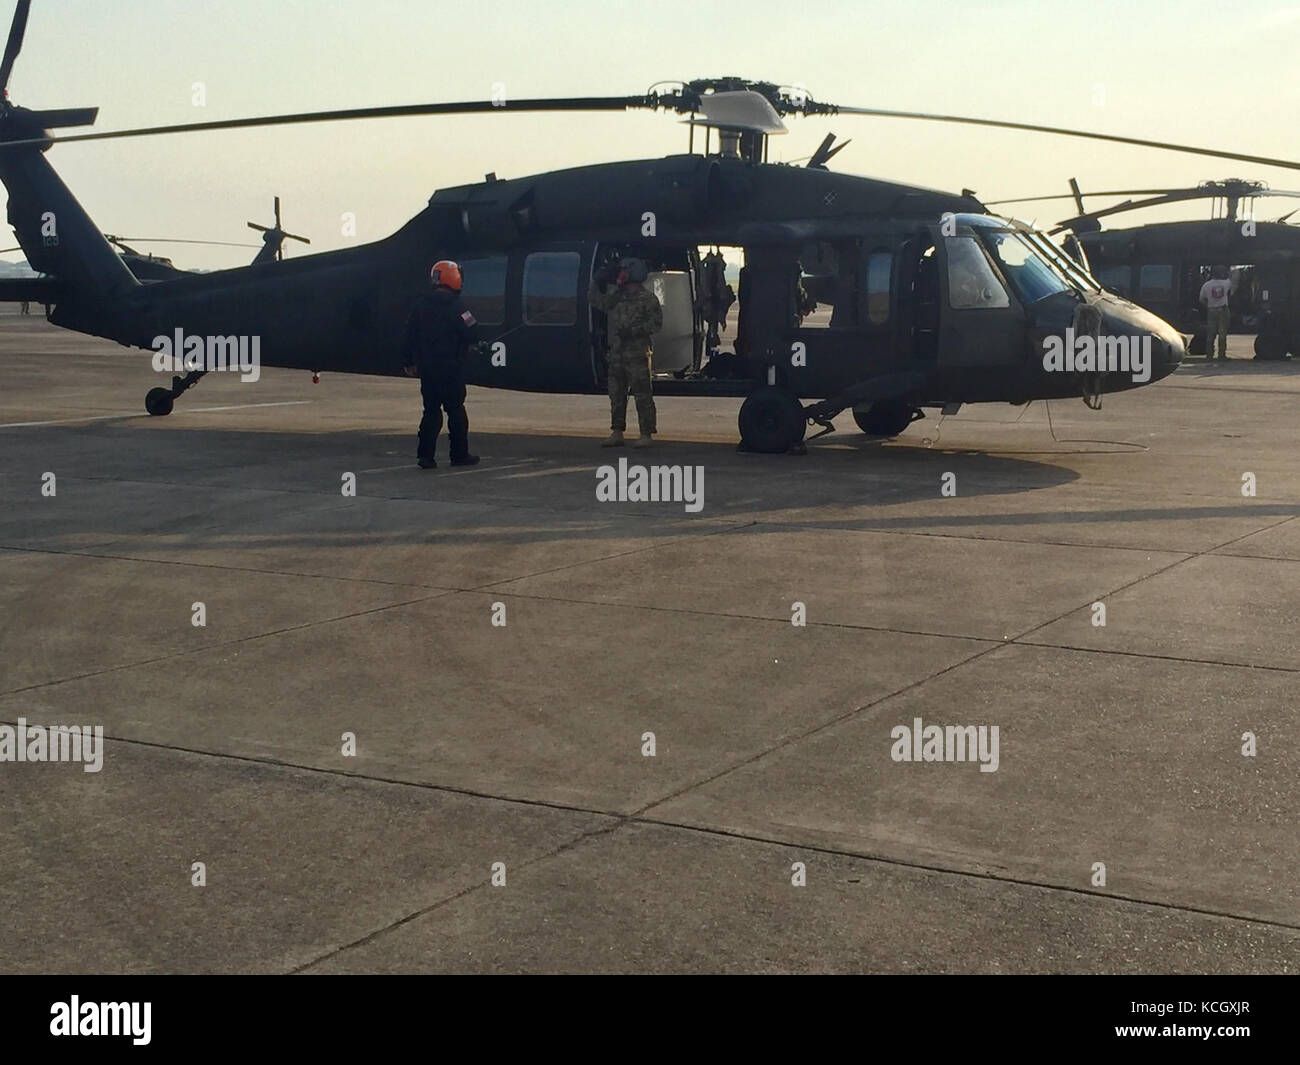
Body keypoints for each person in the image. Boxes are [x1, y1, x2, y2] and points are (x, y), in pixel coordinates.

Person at [402, 260, 480, 468]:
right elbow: (472, 332)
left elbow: (409, 335)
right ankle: (459, 455)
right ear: (454, 278)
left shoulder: (420, 306)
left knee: (430, 411)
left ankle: (425, 456)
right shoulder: (458, 307)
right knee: (455, 411)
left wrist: (408, 361)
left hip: (428, 369)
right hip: (451, 369)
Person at [589, 257, 662, 448]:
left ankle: (646, 433)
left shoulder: (648, 299)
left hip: (637, 354)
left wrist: (633, 331)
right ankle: (617, 431)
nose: (621, 274)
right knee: (616, 394)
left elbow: (656, 324)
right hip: (617, 354)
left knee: (642, 395)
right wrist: (595, 282)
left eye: (624, 271)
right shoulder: (617, 296)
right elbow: (597, 302)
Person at [1199, 265, 1235, 362]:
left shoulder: (1206, 285)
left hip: (1211, 310)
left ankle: (1209, 355)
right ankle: (1221, 355)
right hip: (1223, 309)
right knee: (1222, 333)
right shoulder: (1226, 283)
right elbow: (1234, 277)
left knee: (1211, 333)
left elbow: (1201, 299)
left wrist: (1209, 305)